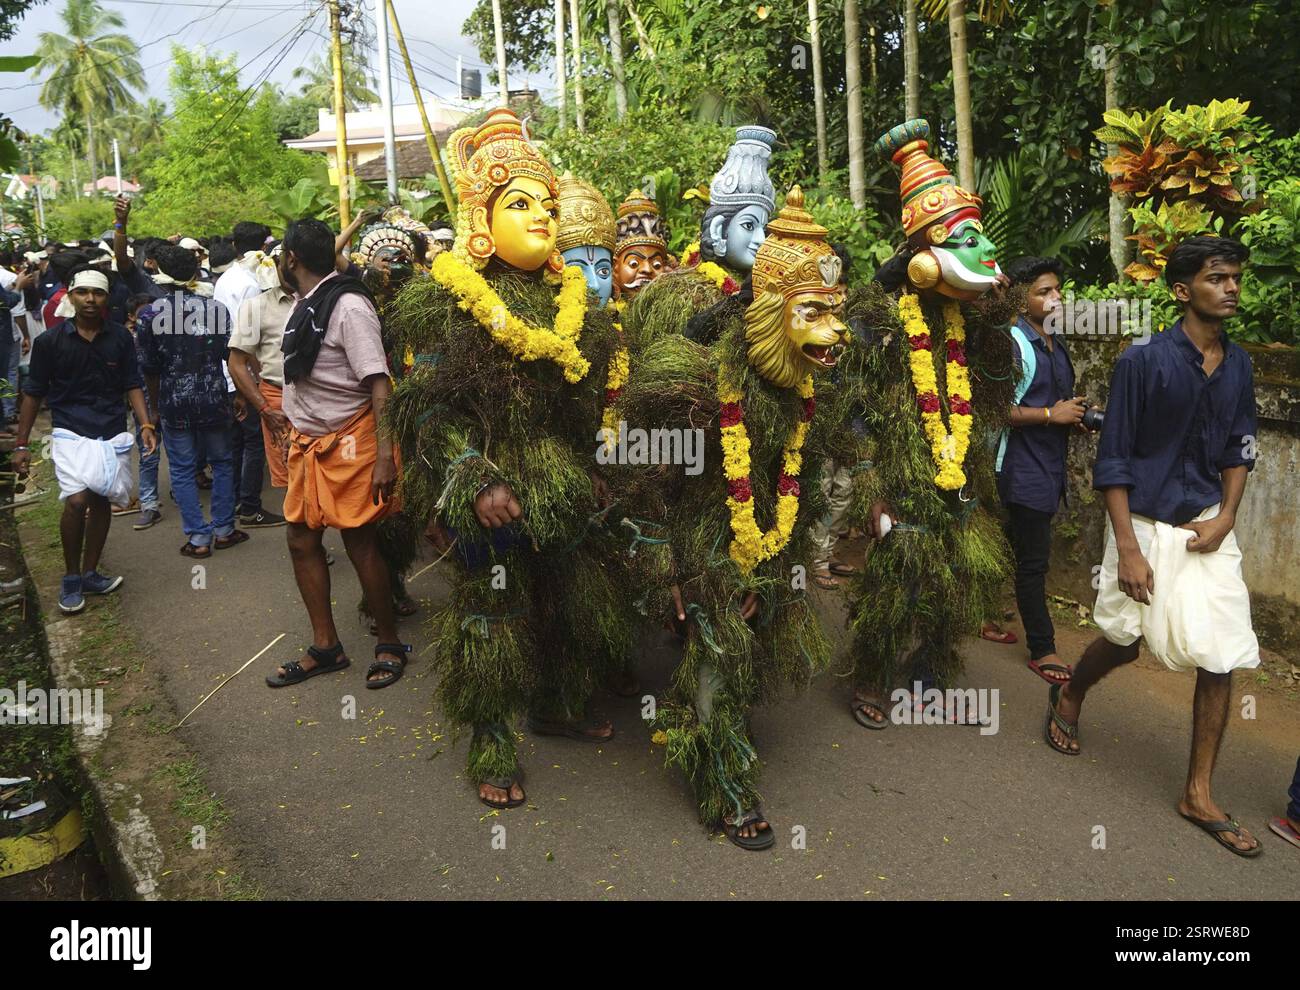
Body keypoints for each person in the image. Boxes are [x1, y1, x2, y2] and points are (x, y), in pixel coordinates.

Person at [1047, 236, 1262, 858]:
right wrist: (1129, 548)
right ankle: (1073, 690)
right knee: (1124, 639)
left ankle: (1197, 791)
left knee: (1219, 653)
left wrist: (1226, 517)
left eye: (1235, 279)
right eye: (1217, 278)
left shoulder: (1241, 365)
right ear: (1181, 291)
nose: (1231, 288)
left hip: (1205, 529)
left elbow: (1240, 447)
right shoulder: (1142, 361)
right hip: (1139, 522)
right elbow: (1112, 458)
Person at [262, 219, 408, 693]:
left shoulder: (348, 305)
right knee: (301, 541)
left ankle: (389, 643)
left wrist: (385, 455)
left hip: (352, 440)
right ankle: (327, 647)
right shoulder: (310, 301)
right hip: (310, 444)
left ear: (290, 259)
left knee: (360, 542)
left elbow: (380, 384)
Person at [14, 267, 155, 613]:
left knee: (103, 497)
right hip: (69, 432)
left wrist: (146, 424)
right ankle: (72, 576)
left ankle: (91, 572)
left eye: (98, 293)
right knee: (77, 502)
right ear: (71, 296)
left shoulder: (120, 338)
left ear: (107, 298)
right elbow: (33, 393)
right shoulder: (50, 342)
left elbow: (132, 383)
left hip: (110, 430)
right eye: (83, 293)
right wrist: (21, 445)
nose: (90, 299)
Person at [995, 256, 1086, 683]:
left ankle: (981, 616)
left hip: (1048, 468)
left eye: (1057, 289)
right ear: (1019, 298)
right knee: (1032, 562)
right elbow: (995, 411)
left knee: (1003, 549)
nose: (1056, 298)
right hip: (1019, 468)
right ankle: (1043, 647)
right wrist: (1052, 413)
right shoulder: (1013, 343)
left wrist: (1074, 414)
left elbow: (1058, 402)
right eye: (1043, 292)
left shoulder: (1054, 340)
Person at [137, 245, 245, 558]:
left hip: (174, 402)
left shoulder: (150, 315)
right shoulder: (217, 310)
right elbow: (231, 357)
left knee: (183, 469)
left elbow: (150, 369)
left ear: (159, 275)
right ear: (196, 273)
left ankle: (199, 538)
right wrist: (238, 394)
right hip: (214, 397)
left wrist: (154, 408)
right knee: (223, 463)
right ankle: (224, 530)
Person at [227, 247, 293, 494]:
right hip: (277, 402)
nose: (289, 268)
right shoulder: (257, 307)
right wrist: (264, 408)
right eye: (284, 262)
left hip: (319, 404)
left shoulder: (322, 302)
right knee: (292, 483)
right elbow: (237, 362)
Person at [122, 293, 163, 530]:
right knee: (149, 452)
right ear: (131, 317)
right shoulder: (127, 340)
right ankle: (149, 505)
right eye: (144, 313)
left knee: (181, 455)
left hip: (168, 399)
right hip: (144, 403)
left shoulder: (168, 336)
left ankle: (182, 494)